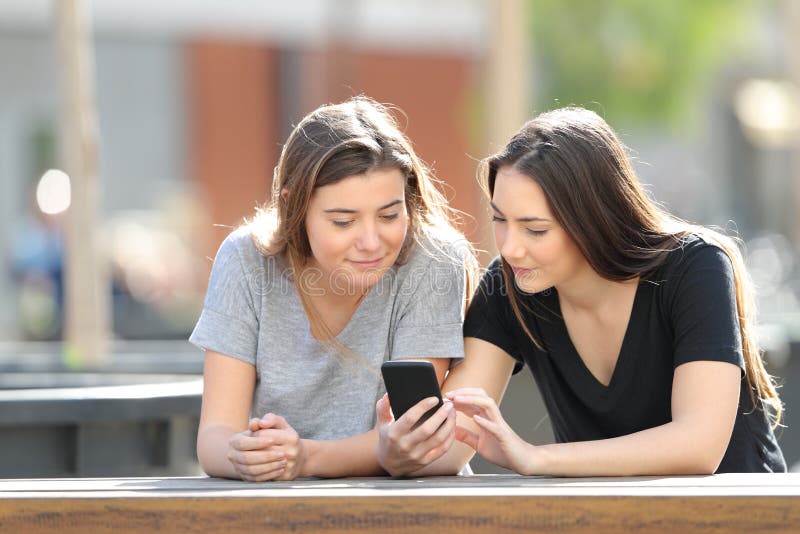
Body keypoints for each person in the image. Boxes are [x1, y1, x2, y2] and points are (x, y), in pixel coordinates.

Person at [376, 106, 786, 476]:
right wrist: (404, 453)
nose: (510, 247)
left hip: (740, 517)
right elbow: (452, 443)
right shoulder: (509, 286)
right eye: (500, 220)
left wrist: (536, 458)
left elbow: (698, 447)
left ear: (593, 218)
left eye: (535, 229)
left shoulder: (694, 266)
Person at [190, 96, 476, 481]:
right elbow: (214, 437)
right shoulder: (245, 260)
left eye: (390, 215)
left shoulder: (435, 259)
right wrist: (248, 454)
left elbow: (414, 436)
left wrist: (304, 458)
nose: (372, 242)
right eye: (344, 222)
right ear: (294, 207)